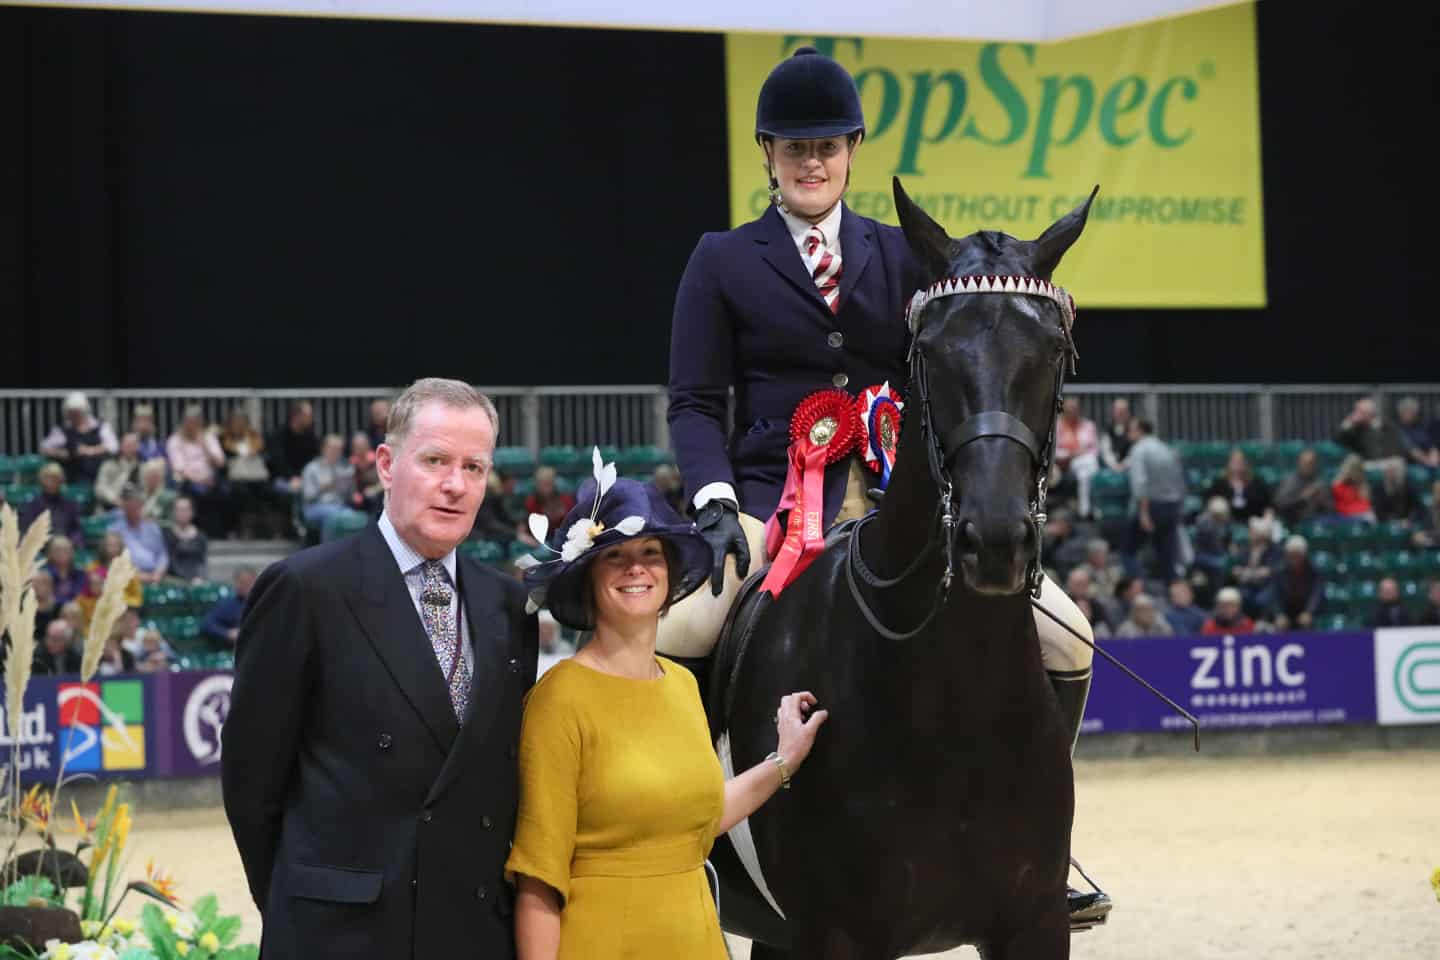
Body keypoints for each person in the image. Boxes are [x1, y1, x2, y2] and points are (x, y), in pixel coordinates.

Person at [663, 44, 1108, 923]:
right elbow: (694, 401)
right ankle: (687, 843)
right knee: (680, 629)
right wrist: (714, 497)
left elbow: (974, 332)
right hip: (769, 502)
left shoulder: (903, 251)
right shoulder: (722, 259)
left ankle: (1037, 842)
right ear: (766, 152)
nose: (812, 162)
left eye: (827, 146)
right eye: (795, 147)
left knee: (1071, 639)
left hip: (901, 496)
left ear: (853, 149)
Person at [221, 378, 539, 960]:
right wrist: (304, 906)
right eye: (436, 461)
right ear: (387, 465)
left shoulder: (508, 605)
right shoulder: (304, 588)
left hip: (472, 932)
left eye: (473, 467)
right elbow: (251, 781)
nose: (455, 484)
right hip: (342, 937)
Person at [507, 469, 826, 958]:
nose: (636, 569)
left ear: (670, 572)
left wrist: (783, 760)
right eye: (615, 556)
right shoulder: (559, 699)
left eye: (650, 554)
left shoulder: (681, 685)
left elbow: (697, 816)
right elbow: (538, 879)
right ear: (588, 577)